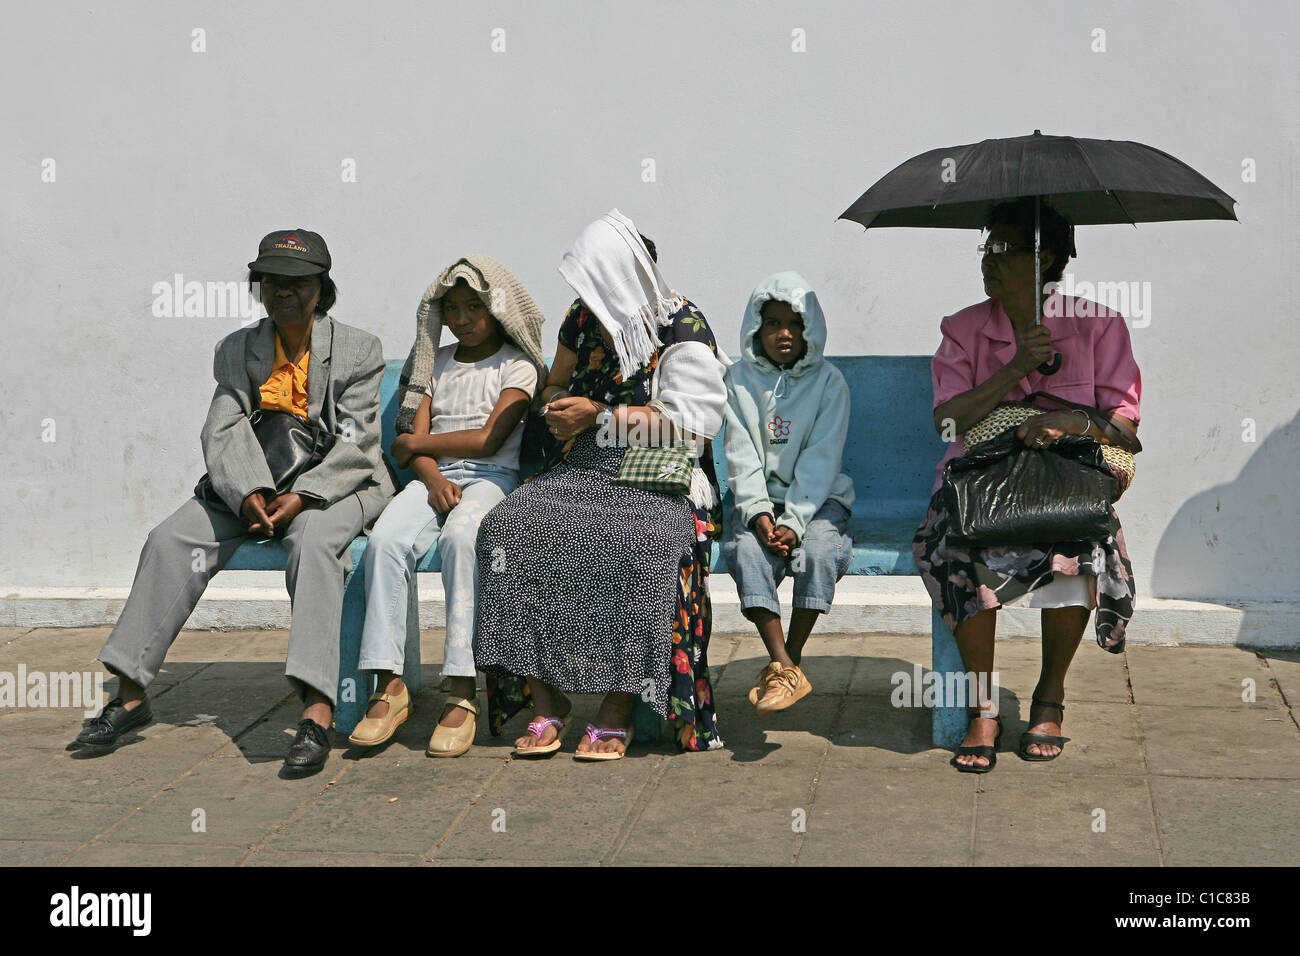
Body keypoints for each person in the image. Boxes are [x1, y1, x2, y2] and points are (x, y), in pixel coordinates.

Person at [78, 229, 395, 773]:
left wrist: (300, 497)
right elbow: (223, 429)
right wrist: (249, 493)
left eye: (296, 282)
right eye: (271, 281)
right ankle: (130, 696)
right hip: (253, 485)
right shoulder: (236, 348)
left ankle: (317, 712)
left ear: (322, 287)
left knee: (316, 545)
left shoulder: (358, 349)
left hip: (337, 485)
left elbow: (358, 442)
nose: (283, 292)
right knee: (170, 539)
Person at [473, 209, 730, 758]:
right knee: (507, 531)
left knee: (638, 542)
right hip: (582, 465)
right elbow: (557, 382)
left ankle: (618, 705)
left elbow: (694, 426)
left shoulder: (681, 327)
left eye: (596, 284)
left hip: (659, 473)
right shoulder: (581, 320)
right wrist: (554, 405)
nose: (586, 297)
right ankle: (547, 702)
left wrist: (601, 415)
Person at [912, 198, 1142, 772]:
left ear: (1051, 258)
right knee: (960, 549)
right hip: (979, 485)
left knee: (1074, 546)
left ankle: (1048, 699)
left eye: (1006, 248)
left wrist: (1068, 421)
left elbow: (1125, 426)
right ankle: (984, 708)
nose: (988, 259)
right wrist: (1015, 369)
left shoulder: (1099, 324)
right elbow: (948, 422)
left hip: (1061, 482)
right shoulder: (963, 329)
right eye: (986, 246)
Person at [347, 257, 545, 756]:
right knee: (387, 539)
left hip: (493, 479)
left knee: (463, 538)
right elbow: (408, 443)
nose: (461, 318)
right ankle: (389, 683)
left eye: (474, 306)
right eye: (452, 308)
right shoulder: (433, 362)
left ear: (497, 308)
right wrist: (429, 473)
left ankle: (462, 688)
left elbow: (488, 439)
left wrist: (421, 446)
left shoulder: (516, 365)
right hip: (434, 477)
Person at [721, 272, 854, 712]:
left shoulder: (829, 382)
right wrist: (759, 514)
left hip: (818, 502)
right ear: (755, 328)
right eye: (772, 323)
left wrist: (793, 523)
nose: (784, 333)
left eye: (795, 324)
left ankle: (788, 662)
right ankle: (783, 664)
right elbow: (741, 454)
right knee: (745, 549)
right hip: (757, 500)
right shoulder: (738, 380)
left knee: (819, 550)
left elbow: (821, 459)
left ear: (810, 329)